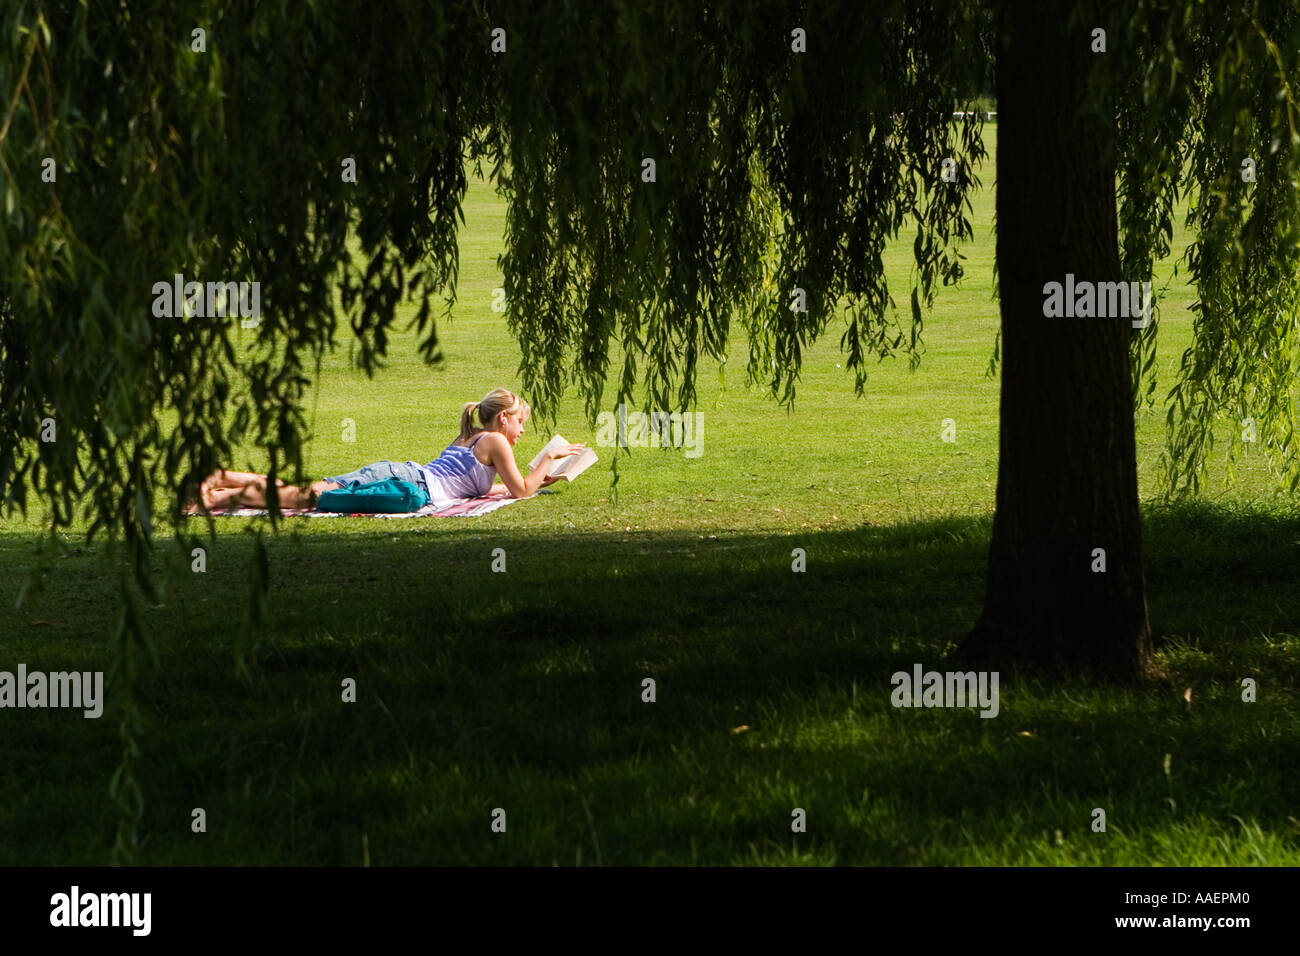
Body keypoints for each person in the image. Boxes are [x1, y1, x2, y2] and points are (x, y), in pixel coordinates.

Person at [186, 388, 585, 513]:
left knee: (306, 490)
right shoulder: (495, 441)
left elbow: (479, 489)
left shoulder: (472, 437)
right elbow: (520, 490)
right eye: (520, 423)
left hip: (402, 474)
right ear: (502, 421)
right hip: (405, 485)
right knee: (306, 498)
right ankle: (224, 498)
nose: (521, 432)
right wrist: (549, 457)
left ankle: (223, 478)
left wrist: (539, 475)